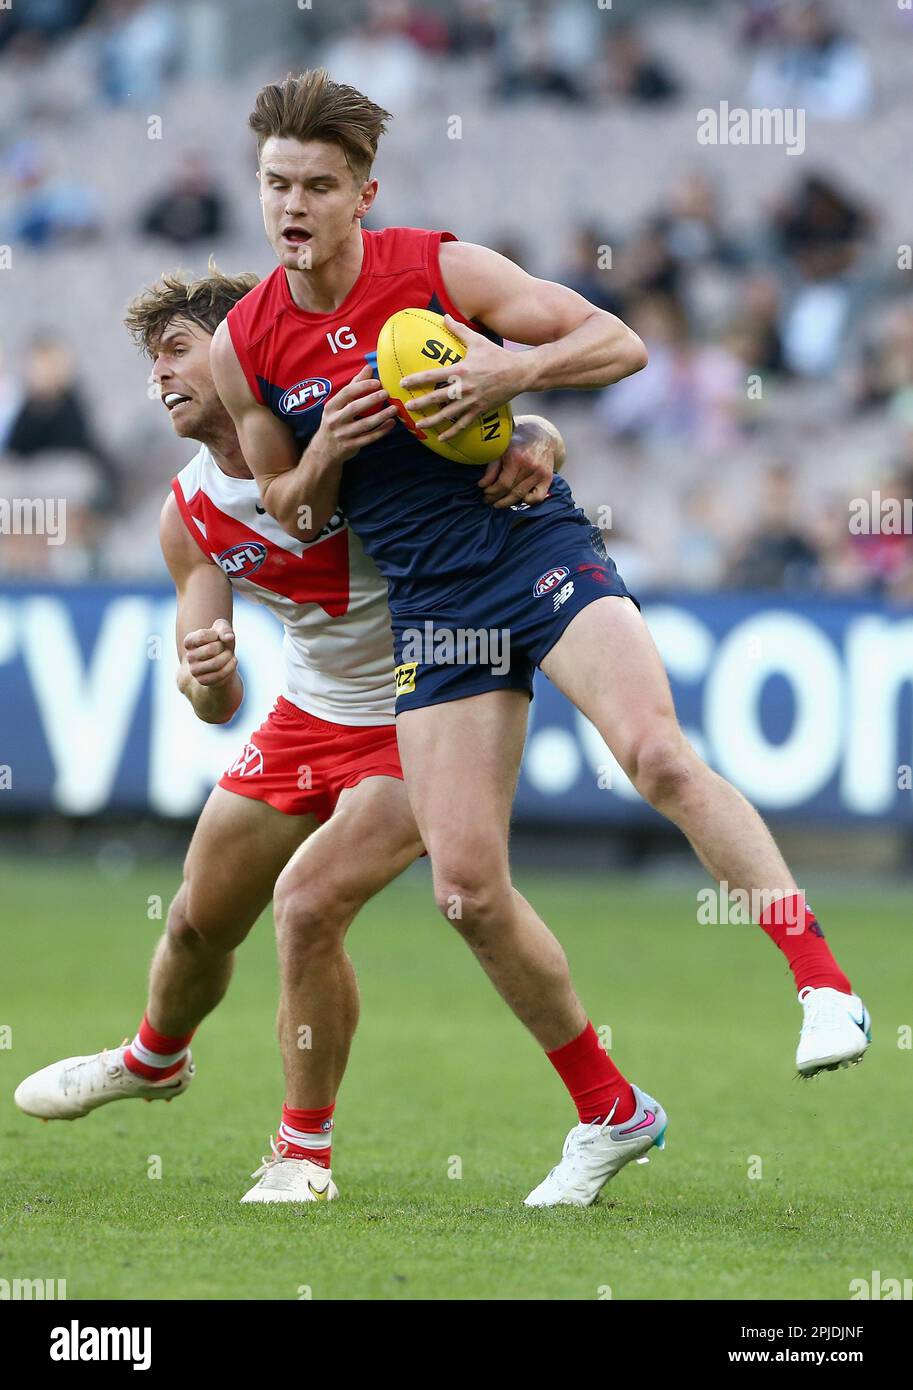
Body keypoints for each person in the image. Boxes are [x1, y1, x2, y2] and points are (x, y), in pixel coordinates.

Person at [210, 70, 871, 1209]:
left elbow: (615, 340)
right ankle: (612, 1111)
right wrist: (329, 452)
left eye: (319, 184)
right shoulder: (247, 342)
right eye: (277, 183)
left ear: (364, 191)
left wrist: (512, 376)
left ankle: (820, 982)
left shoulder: (437, 269)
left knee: (656, 753)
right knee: (464, 889)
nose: (294, 205)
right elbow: (296, 511)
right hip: (434, 607)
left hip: (529, 548)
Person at [13, 267, 579, 1206]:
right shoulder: (185, 514)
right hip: (305, 715)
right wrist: (208, 676)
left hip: (421, 709)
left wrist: (539, 436)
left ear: (238, 355)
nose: (160, 378)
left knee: (308, 907)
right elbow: (217, 701)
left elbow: (497, 431)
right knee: (197, 920)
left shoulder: (349, 427)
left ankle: (302, 1152)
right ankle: (154, 1057)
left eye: (178, 352)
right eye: (149, 364)